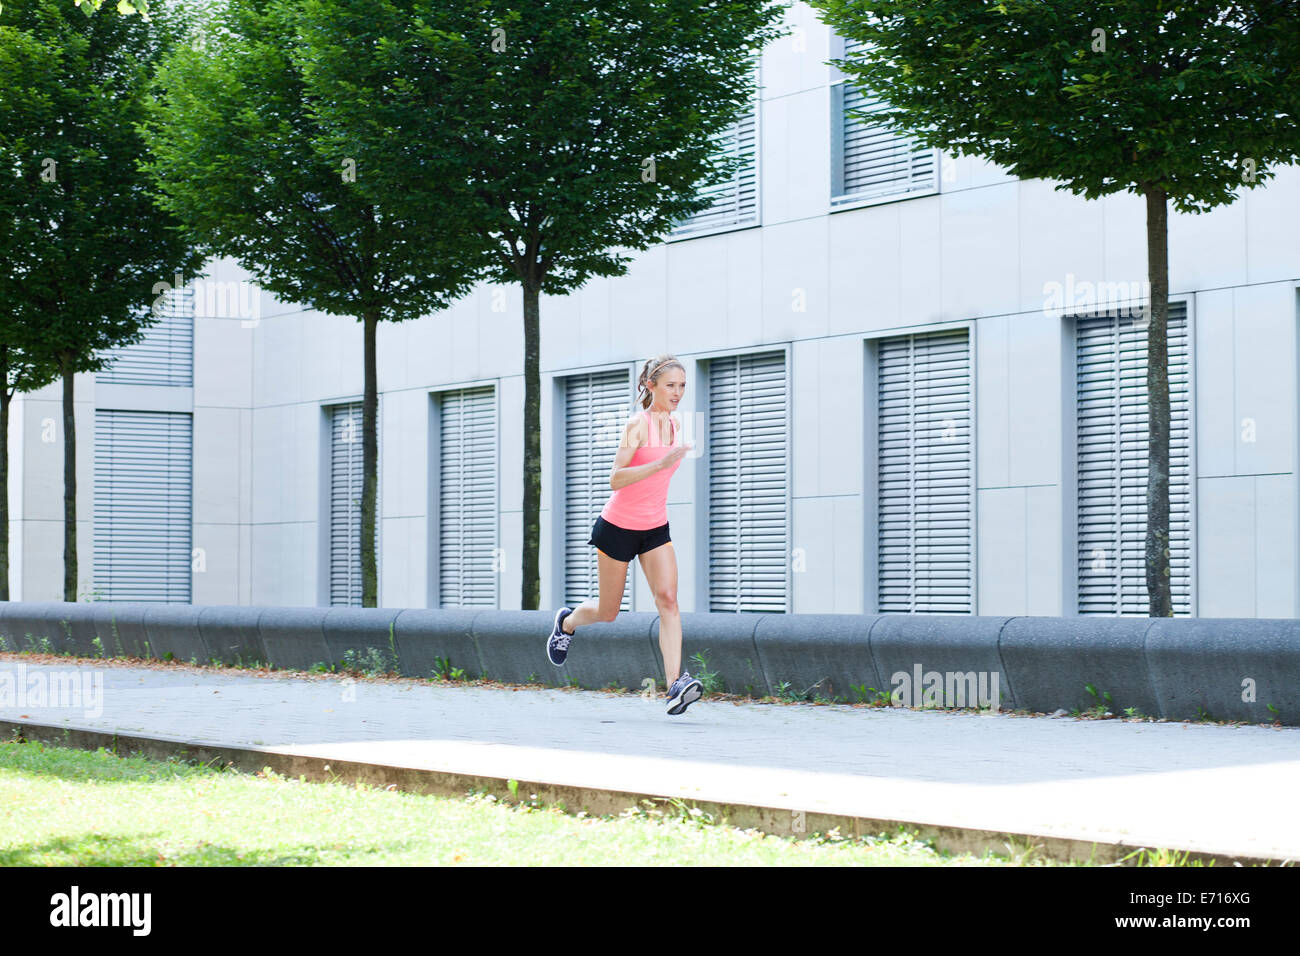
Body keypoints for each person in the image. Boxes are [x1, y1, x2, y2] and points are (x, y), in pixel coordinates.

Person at [546, 354, 703, 715]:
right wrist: (660, 463)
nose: (678, 392)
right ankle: (566, 622)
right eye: (670, 385)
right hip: (617, 527)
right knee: (608, 610)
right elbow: (615, 478)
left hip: (654, 528)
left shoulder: (677, 426)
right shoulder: (638, 424)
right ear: (651, 386)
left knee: (668, 600)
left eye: (682, 386)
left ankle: (675, 685)